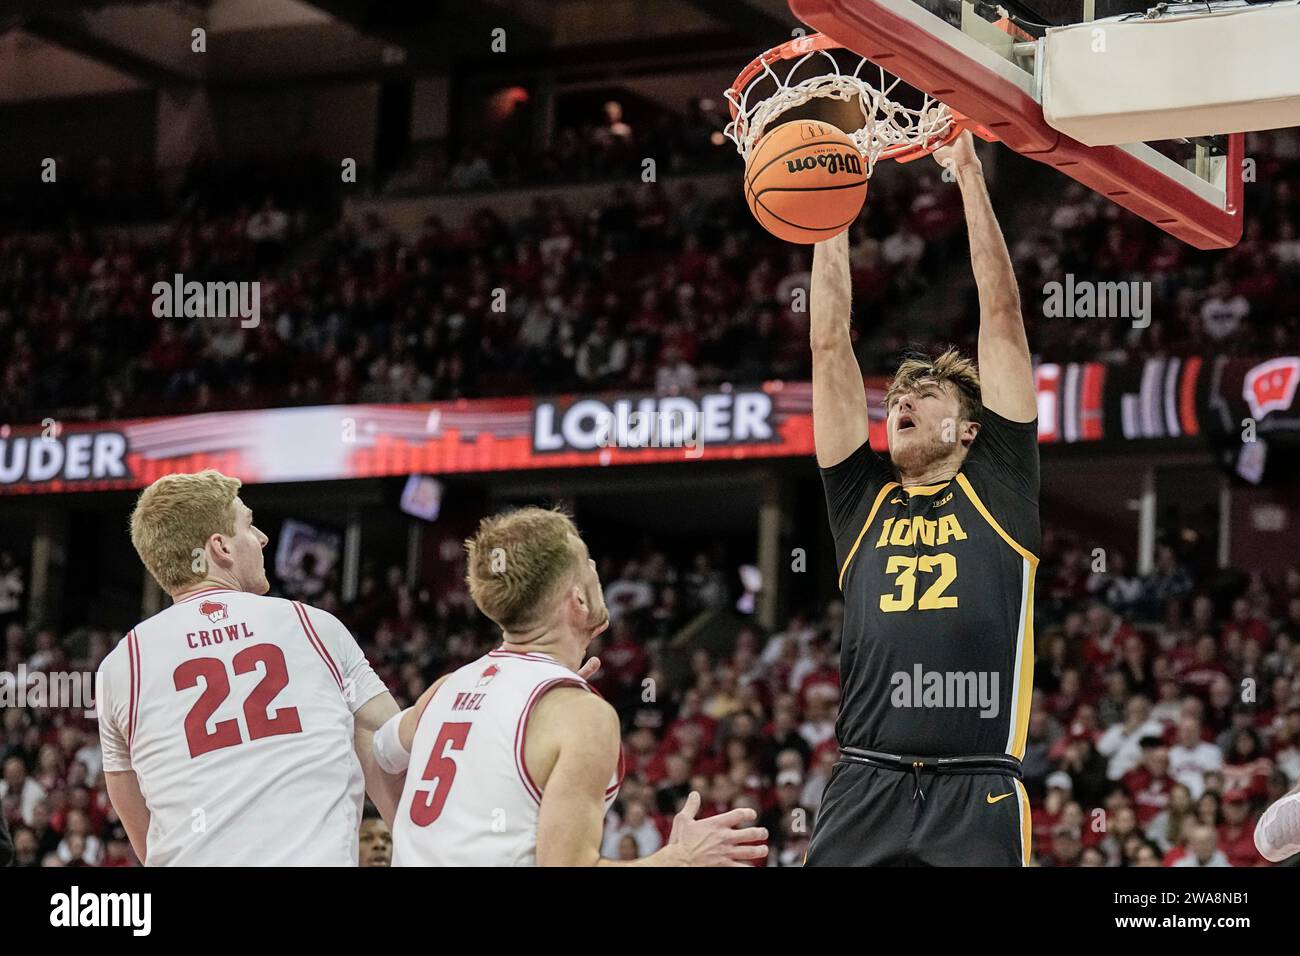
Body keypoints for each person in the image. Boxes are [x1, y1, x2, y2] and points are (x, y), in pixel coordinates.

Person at [805, 130, 1038, 866]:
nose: (900, 401)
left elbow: (1000, 317)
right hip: (864, 776)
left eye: (923, 392)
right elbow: (828, 347)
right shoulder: (861, 501)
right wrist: (830, 214)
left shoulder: (999, 483)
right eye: (896, 395)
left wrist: (969, 174)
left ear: (968, 427)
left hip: (976, 791)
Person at [375, 506, 767, 866]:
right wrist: (681, 858)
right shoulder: (580, 715)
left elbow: (379, 755)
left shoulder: (444, 689)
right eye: (587, 560)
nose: (595, 565)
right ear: (578, 599)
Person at [97, 470, 402, 865]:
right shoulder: (311, 625)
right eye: (249, 524)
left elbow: (143, 834)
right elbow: (392, 750)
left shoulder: (121, 666)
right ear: (220, 547)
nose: (262, 537)